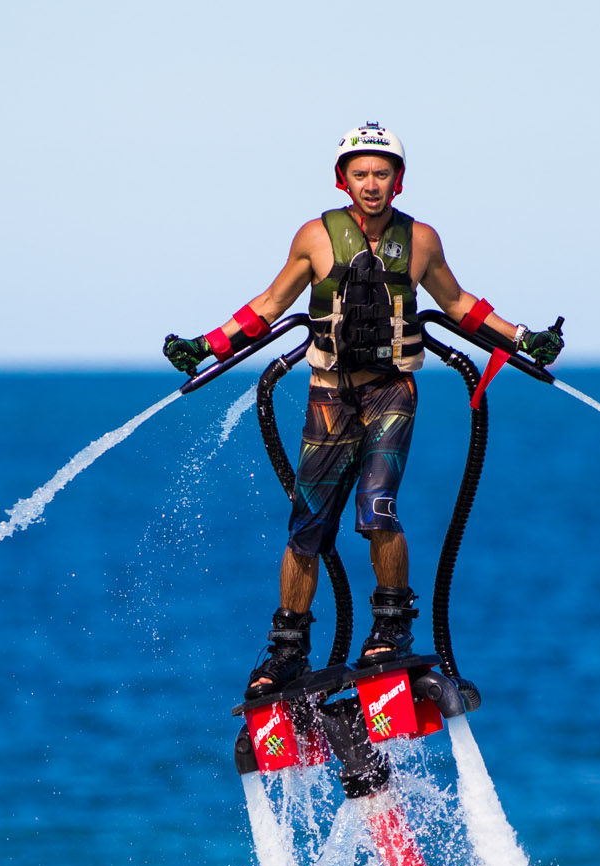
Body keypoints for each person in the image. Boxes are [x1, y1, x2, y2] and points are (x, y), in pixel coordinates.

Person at [163, 122, 563, 699]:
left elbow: (458, 304)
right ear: (342, 180)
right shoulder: (314, 237)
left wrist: (524, 337)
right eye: (361, 174)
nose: (371, 184)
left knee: (377, 509)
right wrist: (204, 346)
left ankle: (391, 631)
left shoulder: (420, 240)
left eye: (382, 173)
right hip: (329, 394)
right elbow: (269, 307)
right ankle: (286, 650)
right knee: (306, 529)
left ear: (398, 181)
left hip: (391, 392)